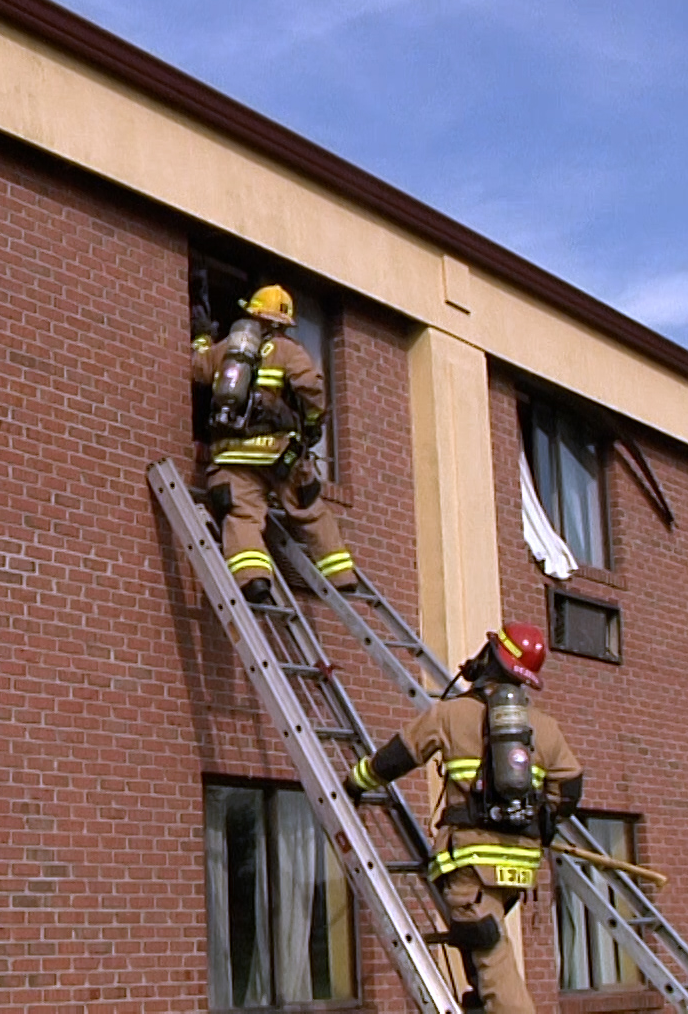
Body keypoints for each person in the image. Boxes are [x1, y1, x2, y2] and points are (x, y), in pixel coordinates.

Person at [344, 623, 584, 1014]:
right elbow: (569, 789)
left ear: (490, 659)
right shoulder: (546, 729)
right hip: (520, 868)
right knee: (480, 942)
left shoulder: (451, 715)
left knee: (491, 955)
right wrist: (542, 822)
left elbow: (395, 758)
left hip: (471, 861)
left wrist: (355, 782)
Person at [190, 284, 359, 603]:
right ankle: (341, 575)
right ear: (282, 323)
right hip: (277, 452)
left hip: (232, 454)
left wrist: (201, 338)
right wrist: (312, 426)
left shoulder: (228, 349)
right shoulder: (288, 350)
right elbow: (311, 390)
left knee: (243, 516)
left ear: (253, 314)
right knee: (308, 508)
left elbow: (197, 368)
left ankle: (253, 581)